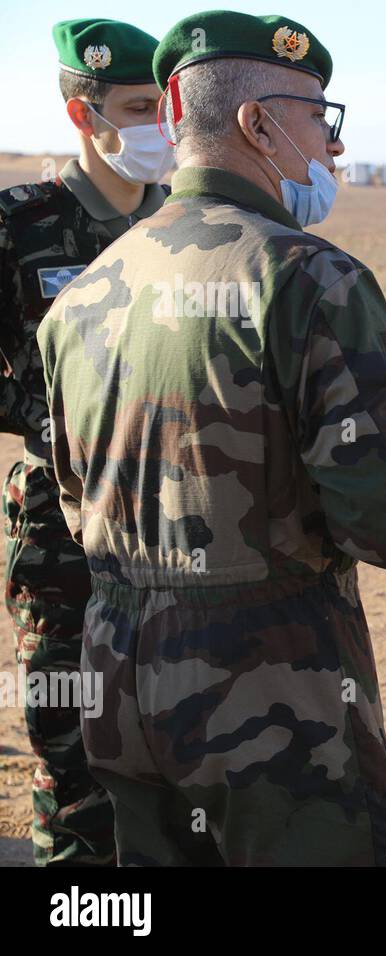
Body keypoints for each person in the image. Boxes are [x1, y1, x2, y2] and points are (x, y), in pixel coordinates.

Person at [37, 11, 386, 865]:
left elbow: (78, 502)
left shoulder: (85, 293)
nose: (330, 149)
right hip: (274, 694)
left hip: (120, 679)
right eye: (317, 120)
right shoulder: (308, 277)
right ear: (258, 123)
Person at [0, 17, 172, 867]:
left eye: (168, 104)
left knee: (182, 761)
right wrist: (45, 413)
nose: (161, 125)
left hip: (185, 535)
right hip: (65, 543)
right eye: (140, 107)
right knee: (73, 760)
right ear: (83, 115)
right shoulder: (20, 225)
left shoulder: (193, 228)